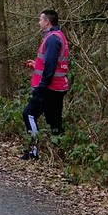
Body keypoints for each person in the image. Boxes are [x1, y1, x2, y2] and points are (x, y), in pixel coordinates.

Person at [21, 9, 70, 160]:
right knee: (54, 121)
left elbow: (50, 66)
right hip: (58, 87)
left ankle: (34, 152)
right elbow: (52, 64)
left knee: (28, 113)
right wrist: (36, 65)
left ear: (47, 22)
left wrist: (41, 87)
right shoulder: (58, 36)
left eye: (40, 20)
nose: (39, 22)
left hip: (49, 88)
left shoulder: (52, 39)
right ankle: (61, 155)